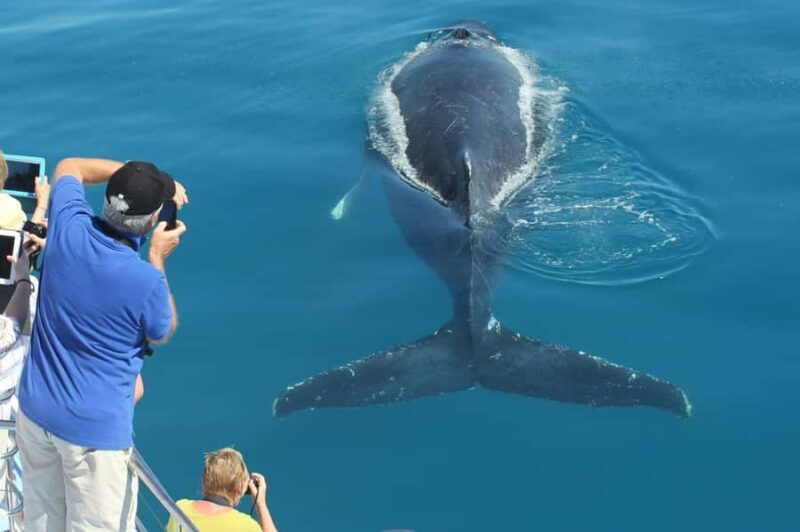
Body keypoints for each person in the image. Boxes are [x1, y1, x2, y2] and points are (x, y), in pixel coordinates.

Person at [16, 157, 188, 532]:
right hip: (93, 436)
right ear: (154, 220)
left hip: (35, 411)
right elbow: (163, 329)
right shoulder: (145, 280)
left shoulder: (67, 226)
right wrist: (158, 257)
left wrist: (133, 176)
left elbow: (70, 167)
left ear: (109, 199)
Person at [166, 448, 278, 532]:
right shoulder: (245, 526)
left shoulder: (180, 509)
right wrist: (261, 504)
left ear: (203, 481)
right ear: (241, 488)